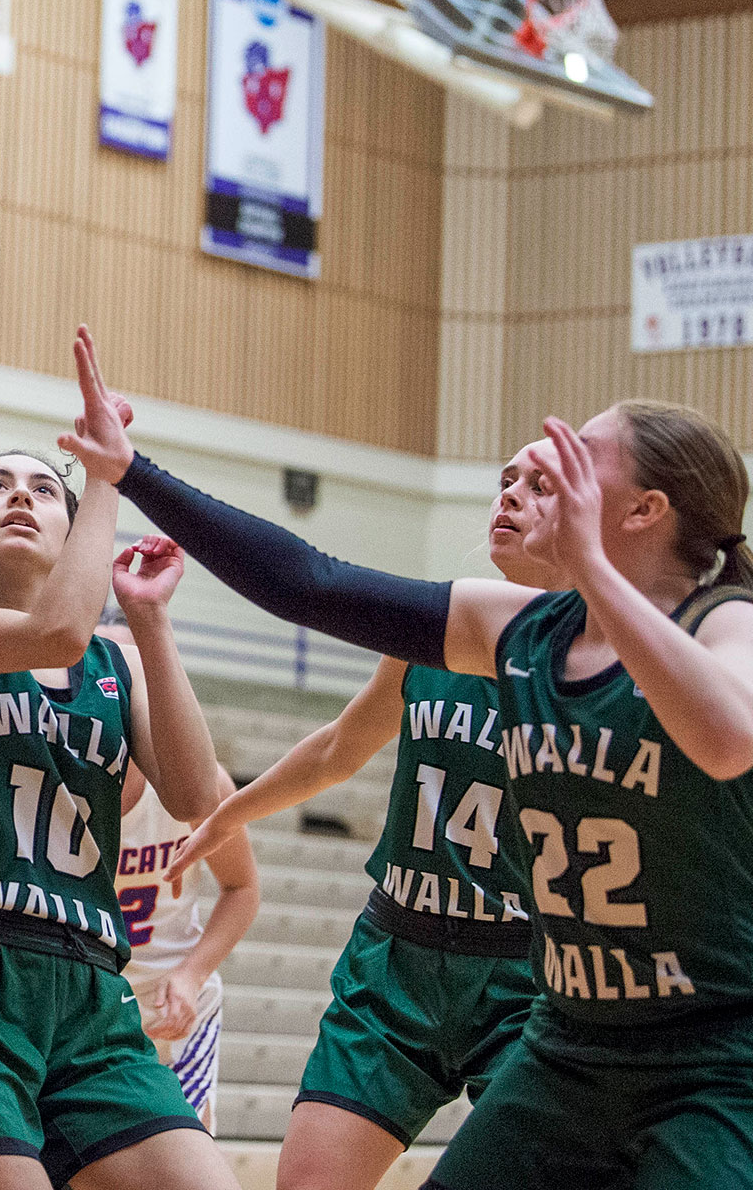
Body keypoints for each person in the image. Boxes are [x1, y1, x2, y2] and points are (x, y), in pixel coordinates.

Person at [97, 399, 753, 1190]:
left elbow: (726, 738)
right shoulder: (513, 627)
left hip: (712, 1050)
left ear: (646, 509)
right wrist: (135, 474)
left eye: (579, 457)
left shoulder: (728, 623)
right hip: (571, 1037)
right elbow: (310, 584)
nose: (541, 474)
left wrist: (596, 575)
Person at [0, 328, 239, 1190]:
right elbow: (54, 629)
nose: (23, 498)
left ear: (73, 532)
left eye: (47, 488)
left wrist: (149, 623)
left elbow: (194, 795)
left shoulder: (111, 661)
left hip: (89, 988)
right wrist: (106, 474)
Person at [159, 444, 560, 1190]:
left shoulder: (595, 665)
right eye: (505, 481)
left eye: (538, 486)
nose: (509, 496)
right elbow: (340, 747)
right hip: (396, 955)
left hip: (525, 972)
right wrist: (229, 812)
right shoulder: (439, 630)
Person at [110, 763, 258, 1134]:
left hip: (171, 1004)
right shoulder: (51, 775)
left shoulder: (199, 783)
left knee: (186, 1160)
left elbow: (242, 887)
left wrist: (192, 975)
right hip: (82, 1003)